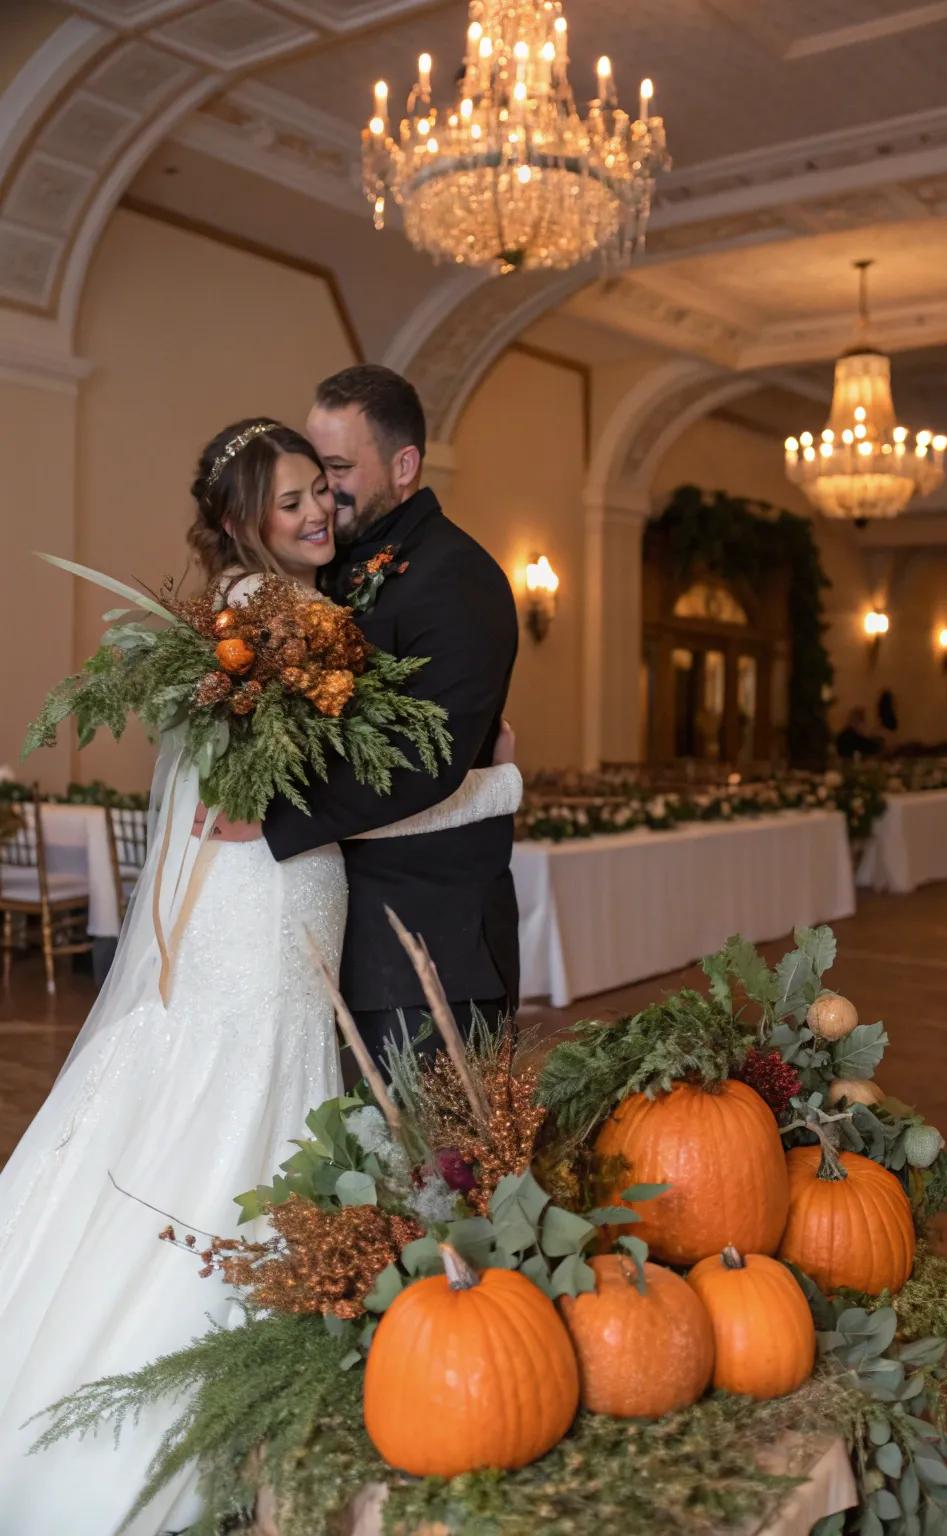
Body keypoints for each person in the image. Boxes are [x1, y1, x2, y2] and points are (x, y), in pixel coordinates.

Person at [0, 419, 520, 1535]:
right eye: (293, 501)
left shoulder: (267, 609)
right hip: (270, 893)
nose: (319, 511)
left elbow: (320, 769)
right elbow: (339, 781)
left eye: (321, 491)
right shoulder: (272, 615)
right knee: (254, 1070)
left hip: (279, 883)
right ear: (243, 520)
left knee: (240, 1072)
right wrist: (496, 780)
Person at [255, 365, 521, 1064]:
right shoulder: (325, 567)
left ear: (404, 466)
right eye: (316, 467)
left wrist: (268, 818)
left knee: (420, 1137)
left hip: (425, 945)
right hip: (332, 929)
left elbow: (426, 758)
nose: (323, 489)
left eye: (339, 468)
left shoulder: (458, 577)